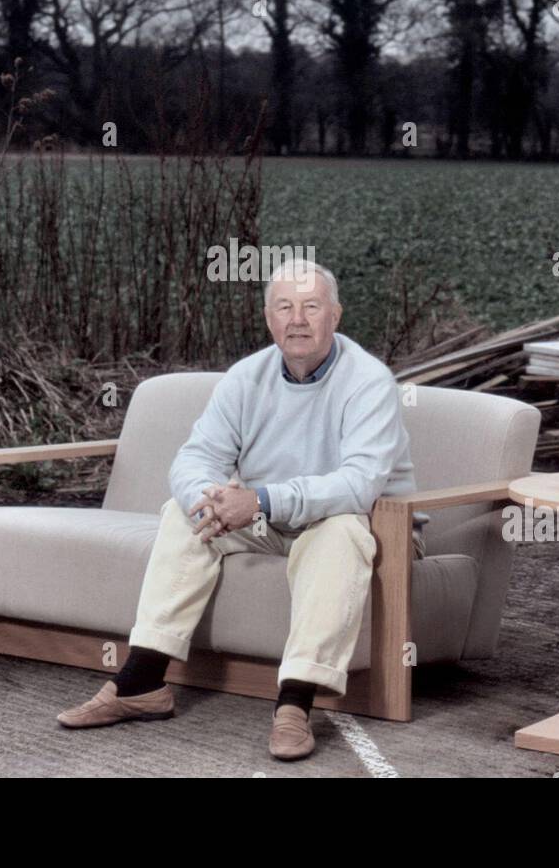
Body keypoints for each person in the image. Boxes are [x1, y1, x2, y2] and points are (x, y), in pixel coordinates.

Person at [57, 257, 420, 760]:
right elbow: (196, 457)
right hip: (273, 520)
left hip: (377, 529)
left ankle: (295, 703)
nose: (297, 319)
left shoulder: (368, 381)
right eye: (284, 308)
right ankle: (142, 682)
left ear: (335, 316)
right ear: (269, 319)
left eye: (311, 307)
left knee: (338, 528)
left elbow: (357, 486)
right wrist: (210, 498)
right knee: (183, 513)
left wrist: (261, 500)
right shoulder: (245, 377)